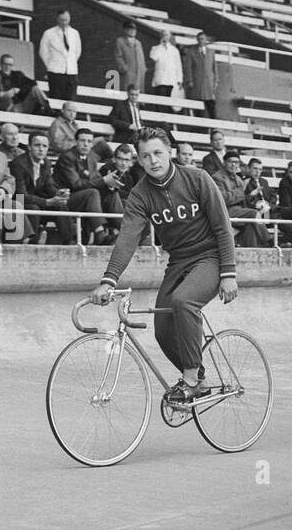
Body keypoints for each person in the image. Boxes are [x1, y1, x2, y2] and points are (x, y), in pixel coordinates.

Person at [91, 126, 239, 406]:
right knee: (162, 330)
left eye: (158, 153)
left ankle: (191, 380)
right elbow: (127, 238)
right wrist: (108, 280)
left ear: (169, 152)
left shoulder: (197, 178)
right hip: (179, 261)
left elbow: (222, 226)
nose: (153, 161)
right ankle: (200, 379)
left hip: (210, 256)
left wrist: (228, 273)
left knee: (184, 301)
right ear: (139, 159)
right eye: (145, 157)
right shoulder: (140, 194)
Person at [55, 128, 119, 244]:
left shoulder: (91, 158)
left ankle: (124, 231)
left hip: (85, 198)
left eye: (89, 142)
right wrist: (103, 180)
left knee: (112, 193)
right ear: (75, 142)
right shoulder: (67, 157)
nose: (86, 144)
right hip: (65, 199)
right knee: (92, 193)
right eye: (82, 141)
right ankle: (100, 235)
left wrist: (110, 184)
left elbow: (96, 179)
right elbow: (75, 184)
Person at [38, 8, 82, 101]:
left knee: (71, 99)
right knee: (56, 98)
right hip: (55, 71)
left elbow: (77, 51)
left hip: (71, 72)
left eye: (66, 20)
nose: (64, 22)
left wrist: (70, 63)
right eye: (62, 20)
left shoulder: (75, 33)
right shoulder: (49, 33)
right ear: (57, 19)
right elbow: (43, 52)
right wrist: (51, 65)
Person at [181, 31, 218, 118]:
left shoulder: (211, 52)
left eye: (202, 39)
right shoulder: (191, 52)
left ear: (206, 40)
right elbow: (188, 67)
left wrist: (216, 80)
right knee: (198, 103)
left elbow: (214, 67)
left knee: (211, 103)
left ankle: (214, 123)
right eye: (199, 39)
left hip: (208, 82)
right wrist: (190, 80)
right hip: (197, 81)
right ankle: (199, 124)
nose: (201, 41)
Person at [149, 28, 183, 102]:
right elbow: (153, 57)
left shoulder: (175, 50)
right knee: (160, 102)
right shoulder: (155, 48)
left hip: (171, 81)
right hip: (160, 80)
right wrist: (161, 46)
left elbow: (178, 66)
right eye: (163, 35)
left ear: (169, 36)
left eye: (166, 35)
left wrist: (180, 80)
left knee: (170, 103)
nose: (164, 37)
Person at [113, 21, 147, 92]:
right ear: (125, 30)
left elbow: (141, 58)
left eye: (134, 29)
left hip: (139, 74)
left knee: (139, 94)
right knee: (127, 92)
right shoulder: (120, 41)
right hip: (128, 73)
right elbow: (118, 56)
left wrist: (143, 69)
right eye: (130, 29)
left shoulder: (138, 43)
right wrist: (124, 68)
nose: (132, 31)